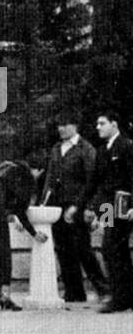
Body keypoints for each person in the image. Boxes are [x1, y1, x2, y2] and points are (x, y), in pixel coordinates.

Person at [44, 117, 106, 304]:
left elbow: (93, 181)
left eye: (65, 124)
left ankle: (103, 288)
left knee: (82, 248)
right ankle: (74, 292)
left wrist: (88, 207)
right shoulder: (56, 149)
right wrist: (43, 204)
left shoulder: (85, 149)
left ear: (75, 126)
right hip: (58, 207)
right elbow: (49, 179)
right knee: (63, 249)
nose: (61, 128)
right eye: (59, 125)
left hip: (78, 205)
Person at [0, 156, 47, 311]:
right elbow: (20, 210)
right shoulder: (27, 177)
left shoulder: (6, 167)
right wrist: (34, 233)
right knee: (4, 254)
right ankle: (4, 295)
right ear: (37, 171)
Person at [83, 110, 133, 313]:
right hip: (107, 206)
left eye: (102, 123)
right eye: (97, 123)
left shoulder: (127, 146)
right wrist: (86, 205)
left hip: (124, 203)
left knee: (112, 248)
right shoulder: (102, 150)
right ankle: (123, 295)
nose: (98, 127)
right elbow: (95, 182)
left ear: (114, 124)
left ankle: (120, 298)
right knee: (111, 249)